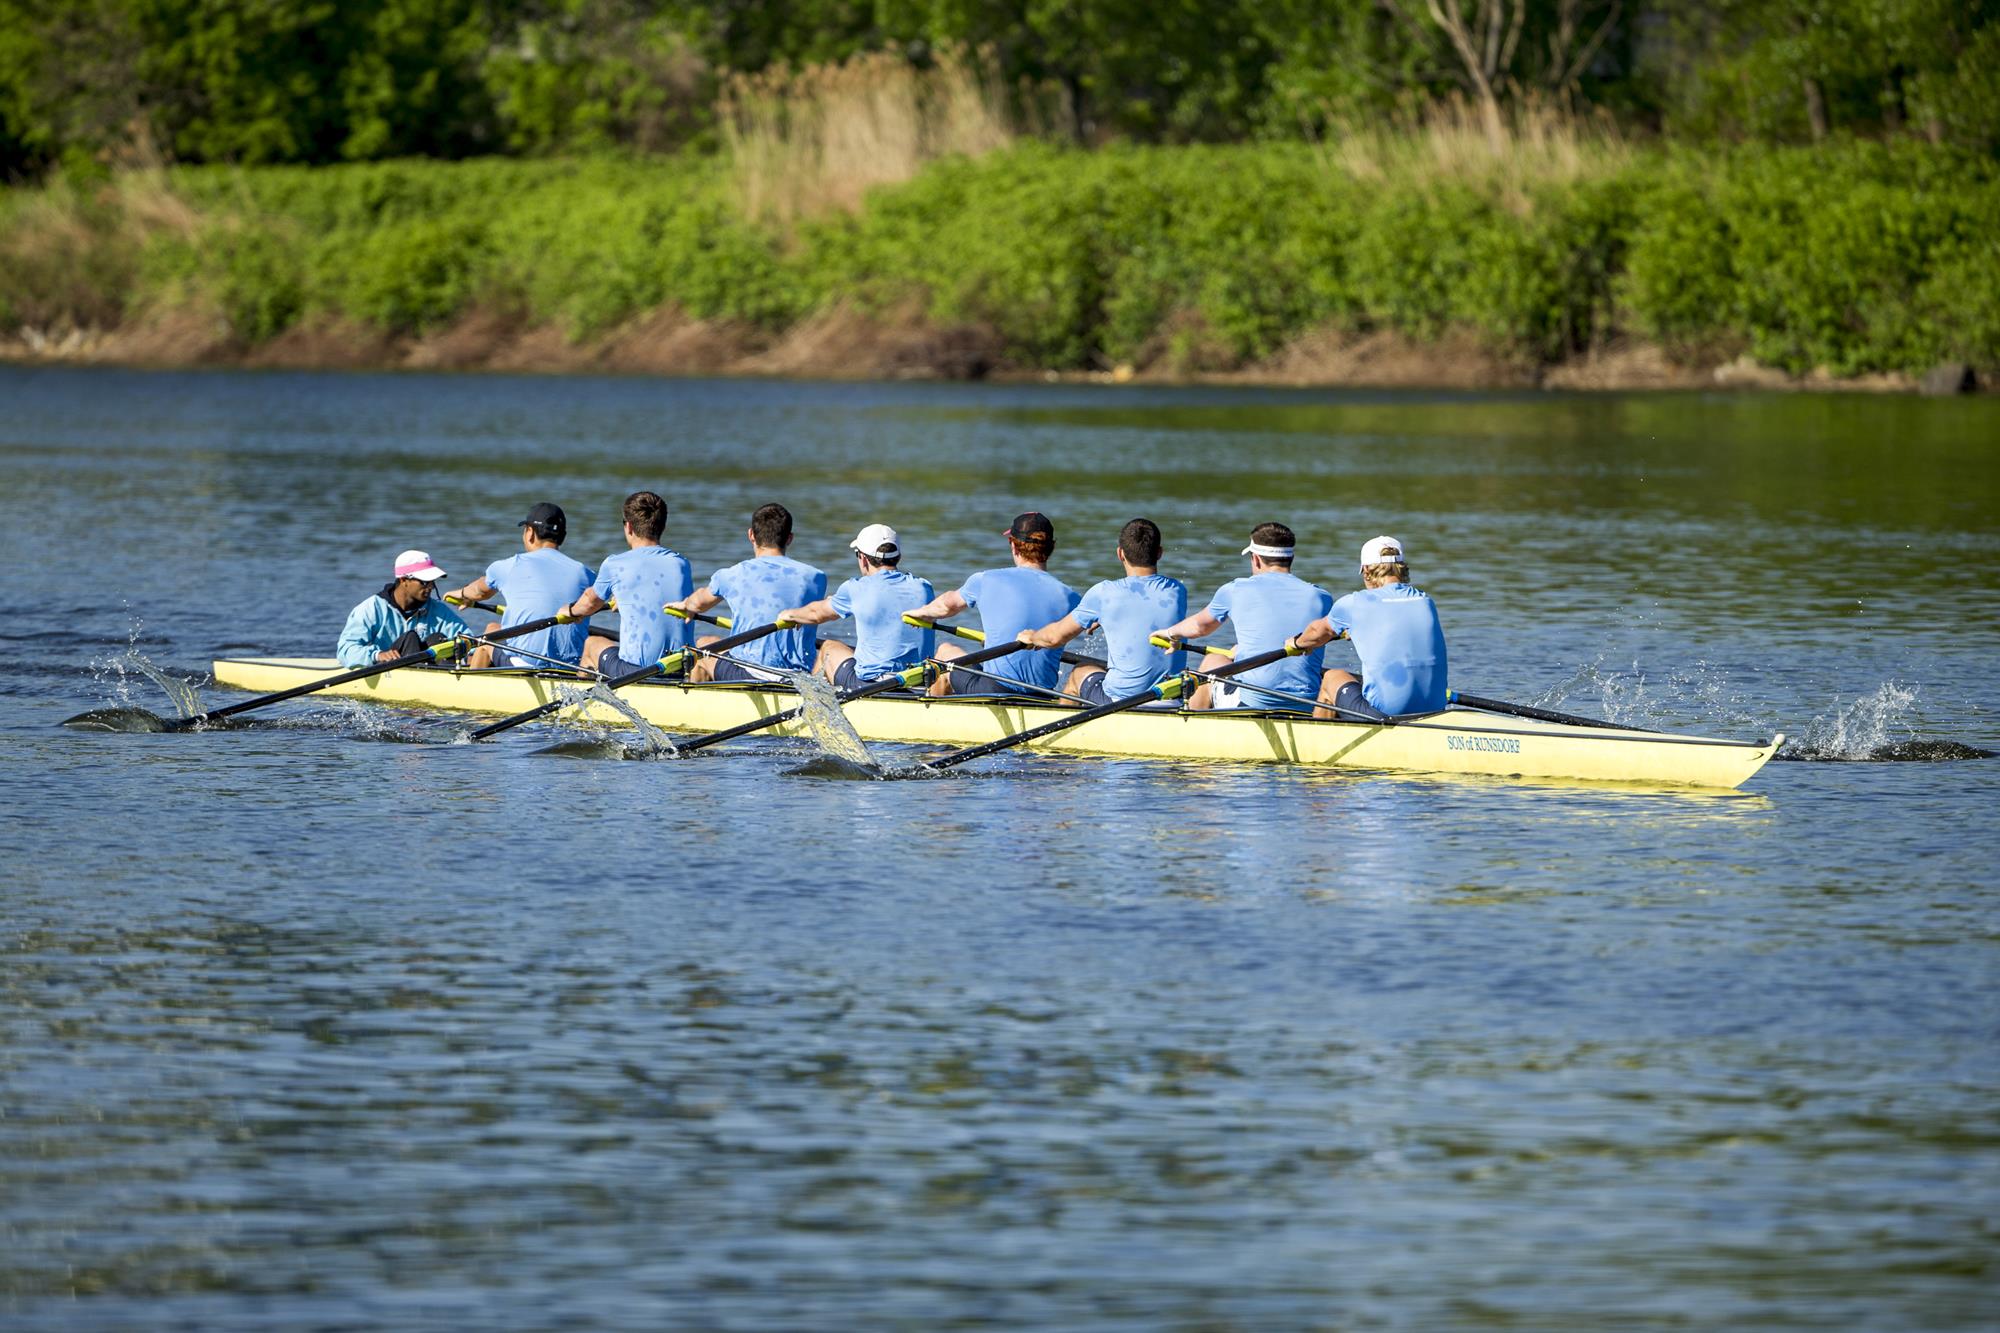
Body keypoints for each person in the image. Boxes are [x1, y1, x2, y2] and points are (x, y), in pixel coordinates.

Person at [1153, 522, 1333, 711]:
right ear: (1291, 558)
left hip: (1255, 702)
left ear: (1255, 559)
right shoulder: (1321, 597)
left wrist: (1170, 633)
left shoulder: (1236, 589)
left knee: (1212, 661)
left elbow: (1200, 627)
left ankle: (1189, 726)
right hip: (1307, 704)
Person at [904, 512, 1079, 698]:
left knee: (945, 651)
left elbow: (947, 606)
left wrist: (922, 612)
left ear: (1013, 544)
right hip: (1043, 694)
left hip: (994, 690)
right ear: (1052, 547)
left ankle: (935, 716)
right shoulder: (1072, 597)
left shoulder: (986, 579)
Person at [1018, 517, 1185, 706]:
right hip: (1172, 700)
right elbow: (1143, 607)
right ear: (1160, 553)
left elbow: (1054, 638)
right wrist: (1106, 616)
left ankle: (1064, 730)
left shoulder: (1104, 593)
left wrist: (1033, 637)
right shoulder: (1177, 590)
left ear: (1120, 554)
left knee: (1078, 672)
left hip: (1120, 702)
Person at [1294, 535, 1449, 720]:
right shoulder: (1424, 600)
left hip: (1384, 713)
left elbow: (1317, 632)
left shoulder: (1355, 603)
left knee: (1331, 678)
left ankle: (1316, 743)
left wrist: (1297, 644)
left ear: (1367, 570)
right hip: (1435, 708)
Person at [668, 502, 825, 683]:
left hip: (748, 673)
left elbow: (699, 603)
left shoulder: (732, 574)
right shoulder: (815, 577)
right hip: (797, 678)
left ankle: (697, 702)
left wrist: (686, 605)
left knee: (704, 645)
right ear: (789, 538)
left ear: (751, 535)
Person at [777, 523, 935, 691]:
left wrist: (790, 615)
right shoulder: (924, 587)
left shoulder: (856, 588)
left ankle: (806, 701)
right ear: (898, 556)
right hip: (918, 685)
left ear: (864, 559)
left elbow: (816, 614)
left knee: (829, 647)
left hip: (872, 687)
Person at [556, 491, 693, 679]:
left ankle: (585, 702)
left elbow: (589, 603)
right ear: (663, 526)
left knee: (591, 644)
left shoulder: (615, 565)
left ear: (628, 527)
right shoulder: (682, 564)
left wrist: (571, 611)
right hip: (678, 668)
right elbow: (657, 596)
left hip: (635, 672)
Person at [442, 503, 595, 669]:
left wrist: (462, 593)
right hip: (572, 666)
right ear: (562, 536)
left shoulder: (510, 565)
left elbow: (479, 592)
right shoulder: (585, 573)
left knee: (491, 631)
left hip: (526, 664)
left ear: (529, 533)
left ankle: (470, 687)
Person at [335, 549, 474, 667]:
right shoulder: (371, 609)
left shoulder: (439, 611)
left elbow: (469, 640)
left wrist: (477, 655)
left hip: (429, 672)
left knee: (440, 640)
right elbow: (345, 650)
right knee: (410, 638)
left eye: (432, 582)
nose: (431, 587)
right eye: (424, 582)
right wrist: (378, 655)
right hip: (387, 670)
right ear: (403, 580)